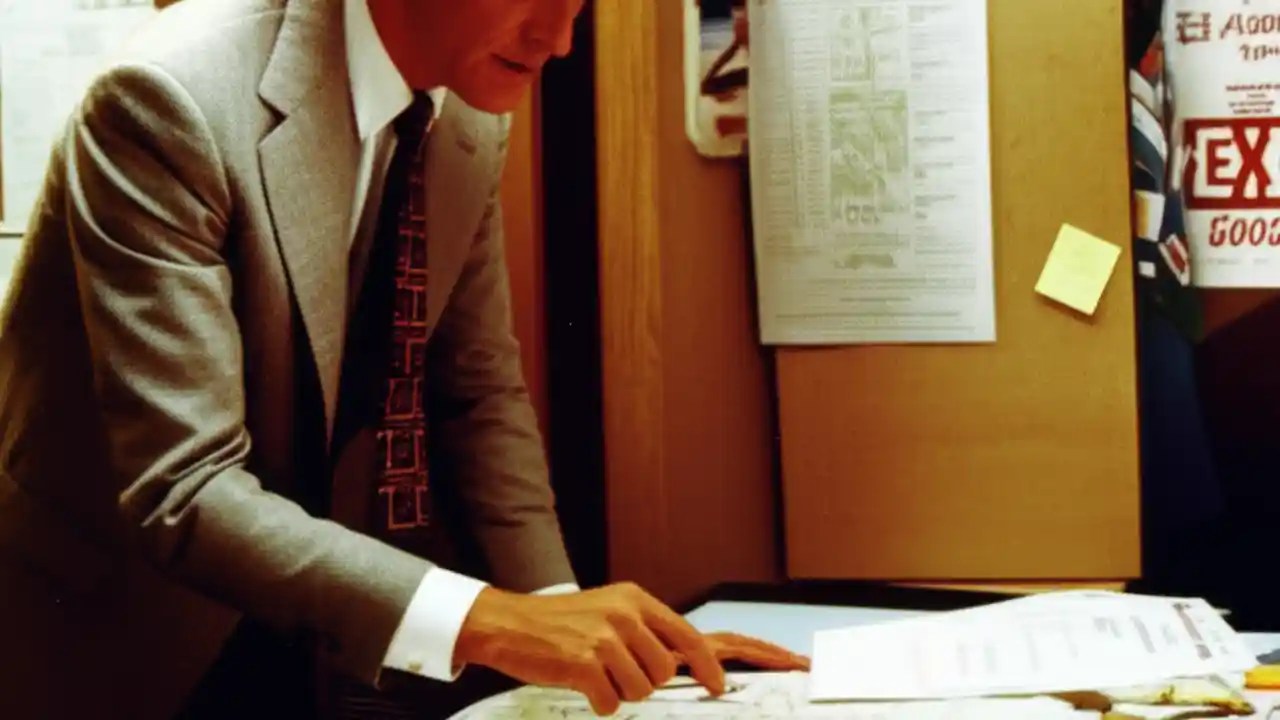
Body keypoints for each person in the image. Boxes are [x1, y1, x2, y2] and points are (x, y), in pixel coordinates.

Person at [0, 0, 807, 718]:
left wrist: (561, 617)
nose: (559, 39)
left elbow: (476, 393)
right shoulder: (167, 97)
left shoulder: (470, 110)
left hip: (329, 613)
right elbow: (185, 486)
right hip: (130, 625)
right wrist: (501, 623)